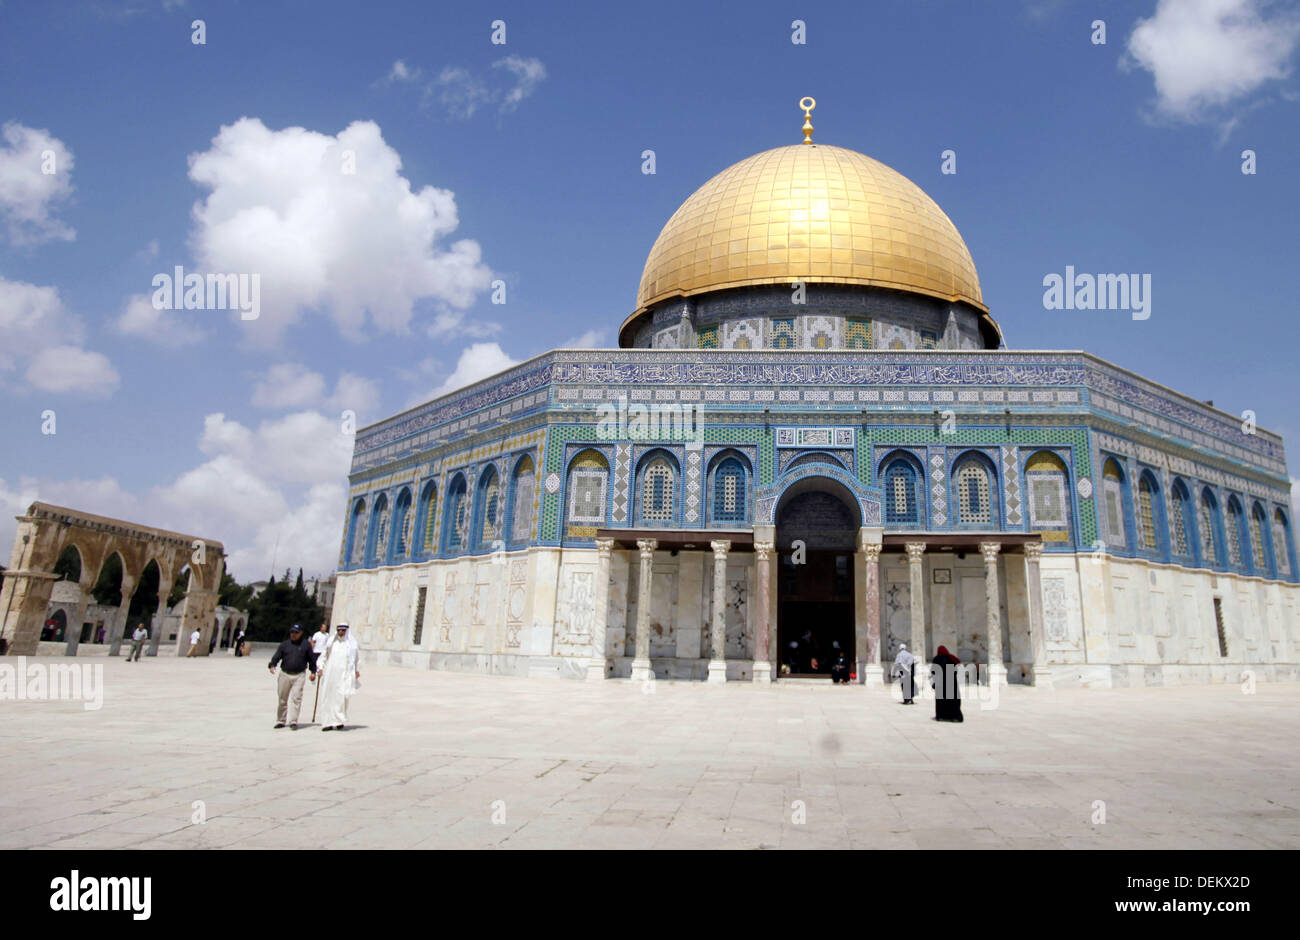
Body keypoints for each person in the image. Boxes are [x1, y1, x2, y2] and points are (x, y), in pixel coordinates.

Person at [268, 624, 317, 729]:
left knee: (296, 698)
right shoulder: (285, 645)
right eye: (292, 632)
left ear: (301, 633)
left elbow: (312, 659)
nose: (293, 635)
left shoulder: (306, 645)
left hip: (299, 675)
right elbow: (277, 656)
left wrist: (313, 672)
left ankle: (293, 721)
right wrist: (272, 665)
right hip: (285, 674)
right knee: (282, 698)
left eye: (296, 632)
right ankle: (281, 720)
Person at [316, 622, 359, 731]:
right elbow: (324, 656)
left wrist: (356, 670)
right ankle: (327, 722)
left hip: (343, 675)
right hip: (330, 675)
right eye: (339, 630)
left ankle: (338, 721)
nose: (341, 632)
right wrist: (320, 667)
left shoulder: (351, 645)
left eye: (343, 630)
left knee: (341, 698)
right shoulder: (331, 643)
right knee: (328, 697)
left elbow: (356, 659)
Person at [931, 645, 964, 722]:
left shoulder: (937, 659)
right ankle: (954, 717)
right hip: (951, 682)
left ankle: (941, 716)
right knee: (953, 700)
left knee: (941, 701)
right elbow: (956, 670)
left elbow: (933, 671)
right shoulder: (951, 658)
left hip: (940, 683)